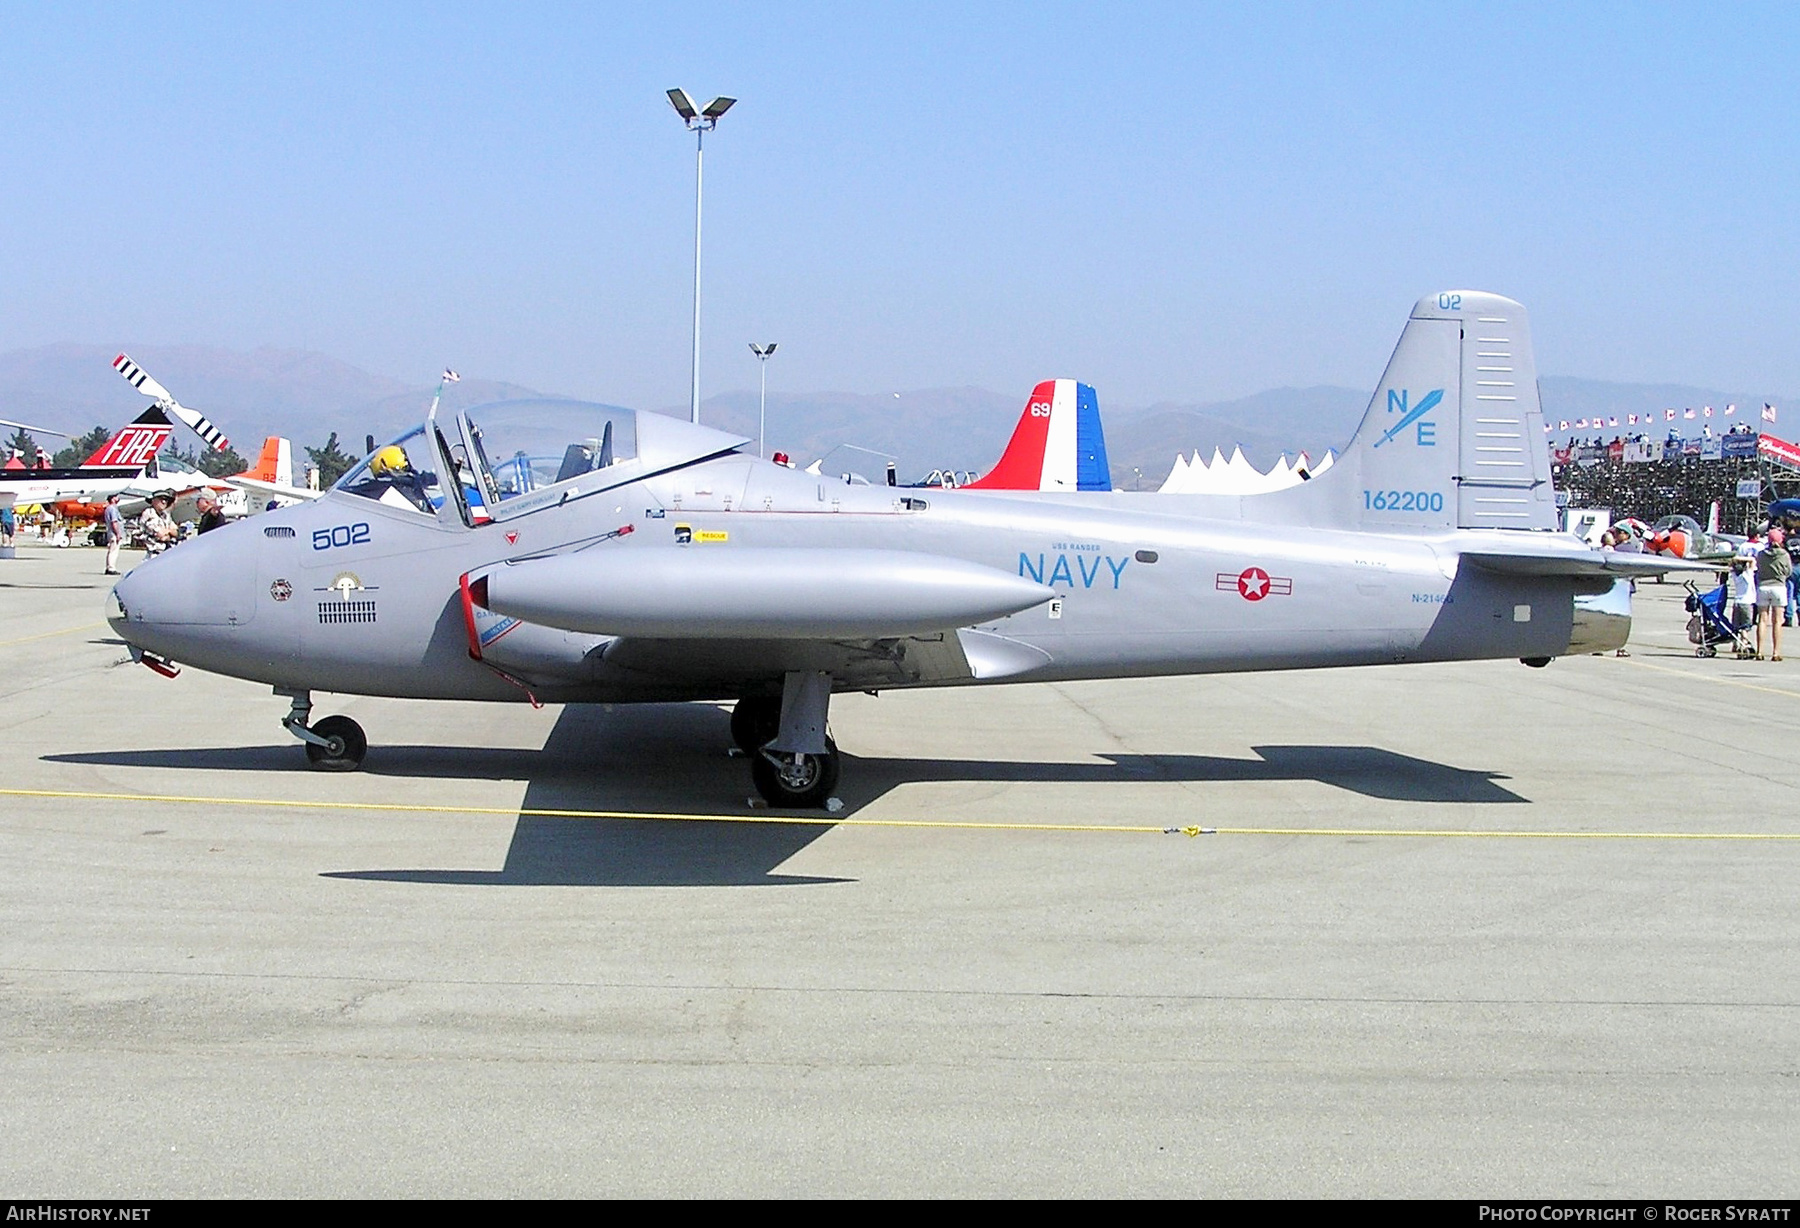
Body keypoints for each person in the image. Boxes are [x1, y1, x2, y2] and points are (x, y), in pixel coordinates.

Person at [1755, 527, 1792, 661]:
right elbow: (1788, 571)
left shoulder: (1761, 554)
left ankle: (1759, 651)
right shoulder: (1784, 555)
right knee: (1777, 621)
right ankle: (1776, 652)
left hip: (1763, 587)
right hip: (1778, 587)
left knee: (1762, 620)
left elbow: (1758, 568)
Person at [1728, 551, 1758, 657]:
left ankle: (1735, 643)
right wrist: (1743, 559)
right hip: (1747, 602)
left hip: (1737, 602)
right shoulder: (1748, 574)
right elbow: (1753, 560)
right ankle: (1744, 644)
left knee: (1736, 626)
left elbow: (1731, 564)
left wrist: (1735, 560)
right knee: (1745, 626)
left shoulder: (1735, 576)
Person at [139, 491, 178, 557]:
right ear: (153, 500)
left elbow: (176, 532)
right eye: (161, 499)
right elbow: (160, 534)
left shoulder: (166, 515)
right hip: (154, 553)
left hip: (167, 552)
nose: (164, 502)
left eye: (166, 500)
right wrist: (168, 533)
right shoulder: (149, 513)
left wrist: (168, 531)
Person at [102, 493, 125, 574]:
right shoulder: (112, 509)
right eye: (115, 497)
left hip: (111, 533)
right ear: (112, 499)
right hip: (113, 534)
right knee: (114, 551)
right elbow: (114, 522)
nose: (117, 498)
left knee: (112, 550)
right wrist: (118, 533)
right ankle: (111, 568)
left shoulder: (109, 508)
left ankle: (109, 567)